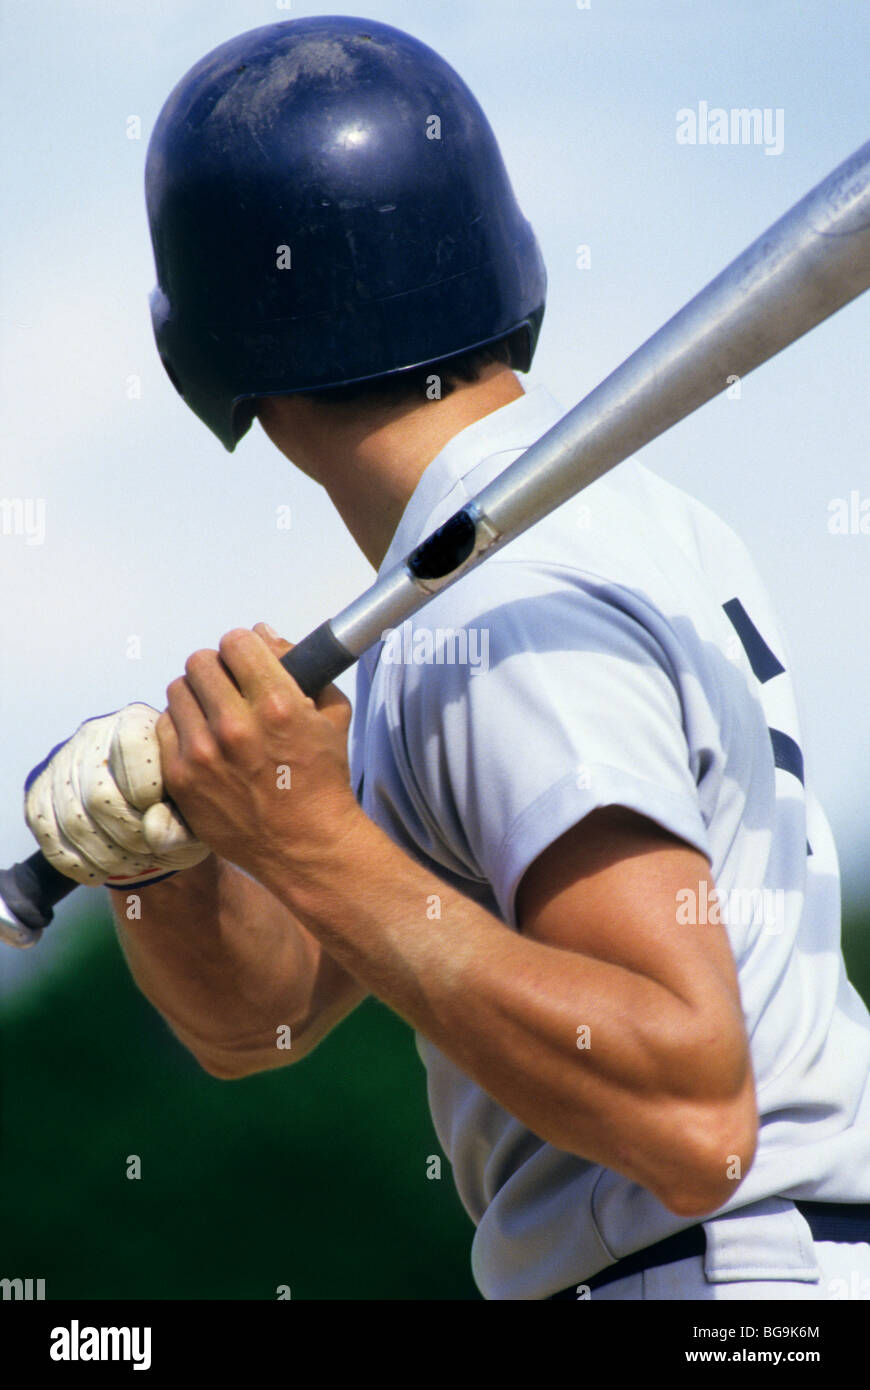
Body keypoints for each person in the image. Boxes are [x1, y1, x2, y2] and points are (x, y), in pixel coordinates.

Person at [24, 16, 870, 1300]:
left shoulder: (514, 590)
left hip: (717, 1277)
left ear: (208, 351)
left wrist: (312, 841)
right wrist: (175, 860)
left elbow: (693, 1114)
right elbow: (266, 1018)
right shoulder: (539, 561)